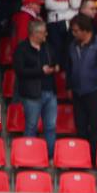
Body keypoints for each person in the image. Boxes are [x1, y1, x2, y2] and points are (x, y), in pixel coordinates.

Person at [66, 15, 97, 157]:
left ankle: (94, 158)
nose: (73, 34)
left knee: (95, 128)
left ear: (85, 30)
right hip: (77, 92)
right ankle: (81, 157)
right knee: (80, 127)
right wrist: (69, 86)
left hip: (94, 92)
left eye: (76, 31)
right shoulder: (73, 45)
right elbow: (69, 67)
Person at [13, 20, 59, 160]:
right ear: (35, 33)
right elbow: (20, 71)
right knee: (31, 126)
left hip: (50, 92)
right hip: (32, 94)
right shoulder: (22, 48)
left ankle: (50, 157)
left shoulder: (48, 47)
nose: (46, 34)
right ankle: (28, 157)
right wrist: (40, 71)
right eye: (43, 32)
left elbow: (56, 60)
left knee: (50, 127)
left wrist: (56, 67)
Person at [44, 0, 82, 69]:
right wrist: (67, 5)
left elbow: (76, 5)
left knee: (68, 51)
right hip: (55, 22)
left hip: (70, 23)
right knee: (56, 51)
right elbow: (48, 4)